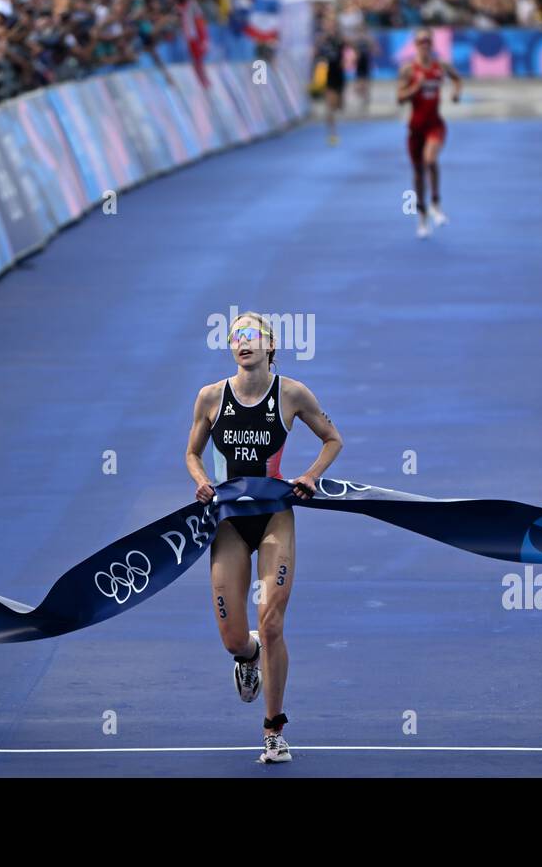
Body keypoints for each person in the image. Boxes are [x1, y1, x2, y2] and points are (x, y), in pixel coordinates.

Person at [185, 312, 342, 763]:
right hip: (230, 521)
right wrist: (200, 479)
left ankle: (273, 729)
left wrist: (311, 475)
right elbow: (192, 452)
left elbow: (333, 439)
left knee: (272, 621)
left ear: (270, 346)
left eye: (252, 336)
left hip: (274, 516)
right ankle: (247, 657)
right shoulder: (211, 397)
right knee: (235, 638)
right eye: (236, 337)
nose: (243, 343)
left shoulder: (291, 394)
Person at [397, 28, 460, 238]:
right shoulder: (408, 70)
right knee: (417, 173)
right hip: (415, 128)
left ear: (432, 44)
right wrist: (416, 87)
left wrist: (456, 93)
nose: (424, 44)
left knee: (430, 160)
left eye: (428, 41)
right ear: (415, 44)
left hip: (435, 124)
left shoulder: (440, 66)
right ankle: (422, 216)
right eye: (421, 41)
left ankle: (436, 203)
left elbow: (457, 78)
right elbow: (399, 98)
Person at [315, 22, 346, 145]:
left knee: (339, 106)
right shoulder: (322, 41)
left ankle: (334, 117)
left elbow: (350, 46)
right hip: (328, 74)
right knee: (330, 106)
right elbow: (315, 53)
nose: (330, 30)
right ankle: (332, 132)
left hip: (340, 74)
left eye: (332, 27)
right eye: (328, 28)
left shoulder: (340, 41)